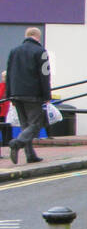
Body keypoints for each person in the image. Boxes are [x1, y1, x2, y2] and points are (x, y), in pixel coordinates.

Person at [6, 26, 52, 164]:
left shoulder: (14, 51)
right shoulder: (41, 51)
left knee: (25, 125)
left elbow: (9, 73)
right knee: (36, 124)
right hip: (33, 94)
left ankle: (30, 155)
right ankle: (17, 143)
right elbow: (45, 75)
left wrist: (10, 95)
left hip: (16, 93)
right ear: (38, 37)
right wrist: (47, 95)